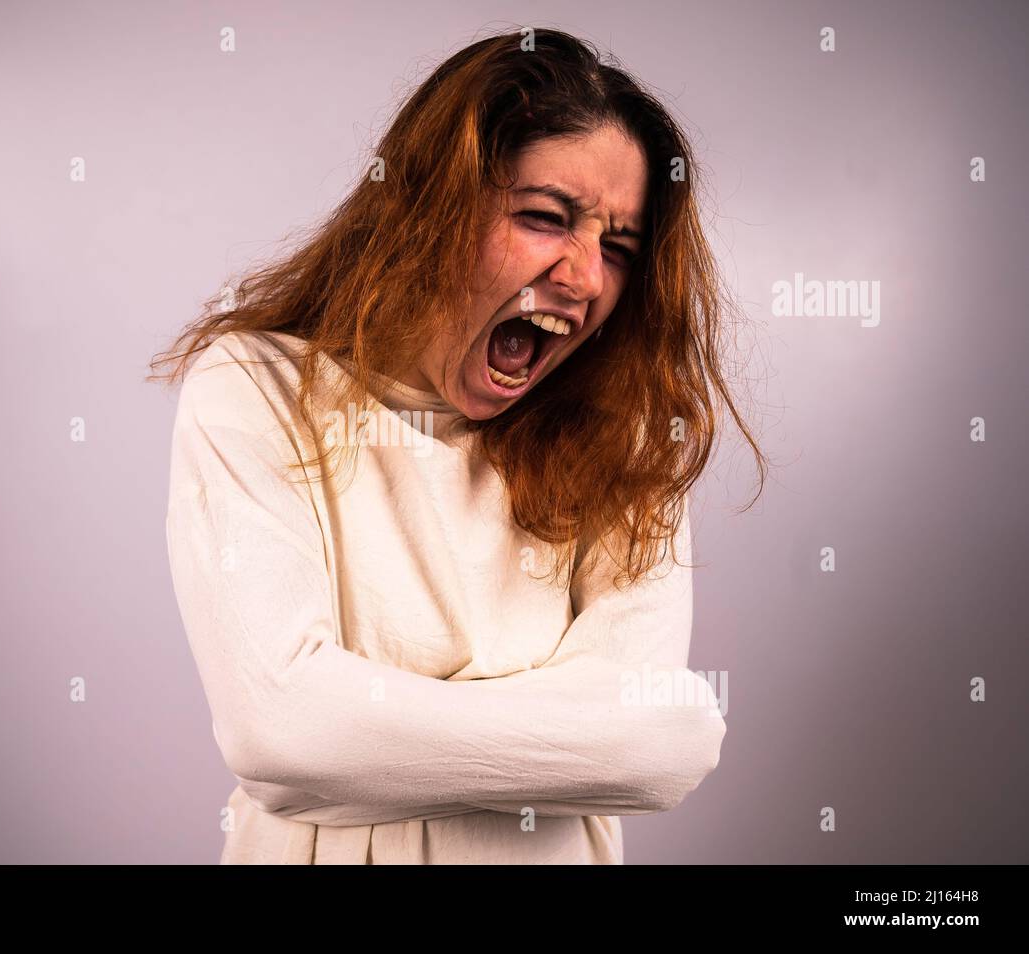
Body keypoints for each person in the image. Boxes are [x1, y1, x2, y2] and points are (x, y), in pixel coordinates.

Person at [150, 27, 767, 864]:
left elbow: (665, 754)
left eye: (618, 247)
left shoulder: (626, 439)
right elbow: (282, 732)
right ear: (429, 208)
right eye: (545, 217)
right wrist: (590, 727)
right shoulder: (256, 387)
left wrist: (370, 726)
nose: (585, 277)